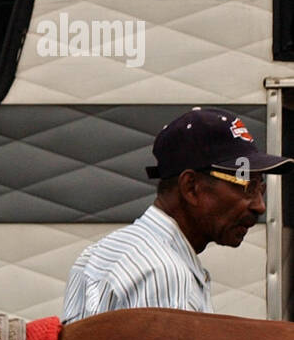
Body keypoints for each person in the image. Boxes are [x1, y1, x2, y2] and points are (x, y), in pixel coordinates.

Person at [62, 107, 292, 324]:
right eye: (247, 187)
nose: (259, 206)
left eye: (260, 190)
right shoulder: (163, 272)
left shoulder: (101, 253)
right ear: (191, 187)